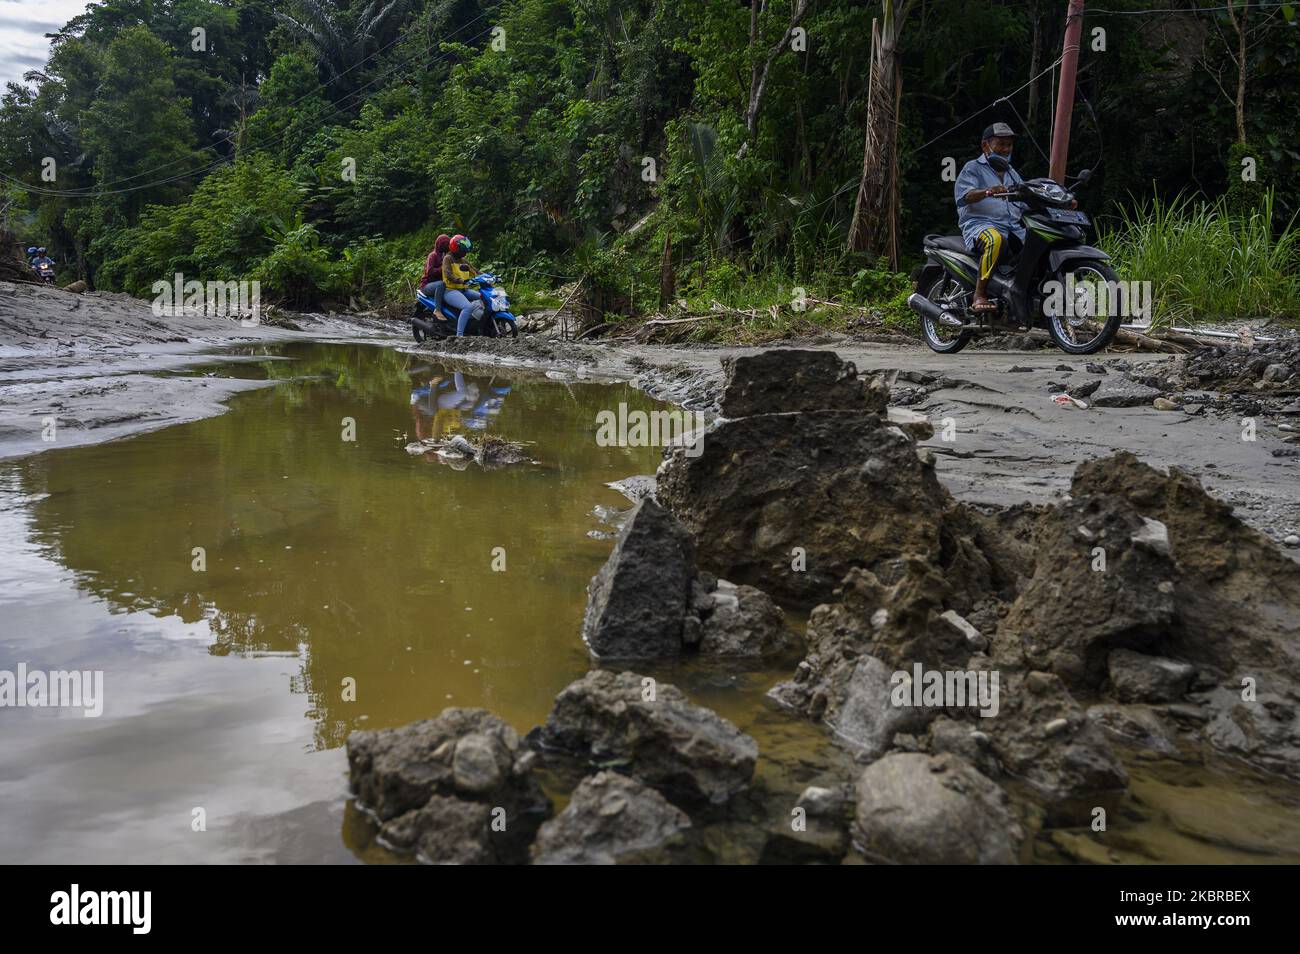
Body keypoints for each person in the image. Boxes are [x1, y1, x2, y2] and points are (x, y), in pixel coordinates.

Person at [954, 122, 1026, 312]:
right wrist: (987, 191)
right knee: (995, 240)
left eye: (1009, 145)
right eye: (1001, 144)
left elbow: (1026, 197)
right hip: (981, 226)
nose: (1006, 149)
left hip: (1013, 228)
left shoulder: (1013, 174)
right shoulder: (973, 168)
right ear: (985, 146)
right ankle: (980, 294)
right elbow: (965, 196)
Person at [441, 234, 488, 337]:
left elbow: (475, 271)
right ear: (456, 248)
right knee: (467, 307)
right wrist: (459, 280)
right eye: (463, 250)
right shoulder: (448, 259)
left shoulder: (463, 261)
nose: (465, 252)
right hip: (450, 290)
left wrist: (489, 277)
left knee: (485, 298)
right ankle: (459, 335)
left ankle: (476, 325)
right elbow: (448, 274)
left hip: (463, 290)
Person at [419, 234, 451, 311]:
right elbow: (429, 271)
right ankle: (438, 310)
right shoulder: (433, 255)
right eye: (445, 244)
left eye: (448, 244)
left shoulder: (444, 255)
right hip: (427, 285)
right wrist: (441, 268)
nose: (447, 246)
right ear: (440, 245)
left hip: (439, 284)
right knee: (441, 284)